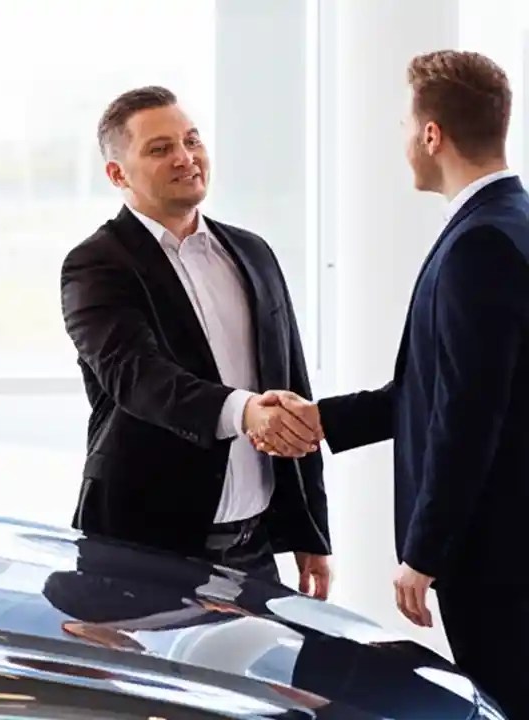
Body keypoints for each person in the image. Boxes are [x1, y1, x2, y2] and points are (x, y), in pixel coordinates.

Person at [252, 50, 529, 718]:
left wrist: (423, 554)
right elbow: (429, 391)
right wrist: (320, 420)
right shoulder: (505, 223)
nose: (403, 138)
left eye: (407, 122)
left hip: (497, 558)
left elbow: (469, 416)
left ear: (432, 135)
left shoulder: (481, 244)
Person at [59, 86, 331, 595]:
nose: (186, 158)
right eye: (160, 149)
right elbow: (138, 378)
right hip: (141, 548)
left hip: (255, 549)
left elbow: (293, 382)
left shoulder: (252, 252)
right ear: (118, 174)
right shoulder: (96, 264)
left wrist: (311, 529)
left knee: (268, 676)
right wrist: (246, 412)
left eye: (191, 140)